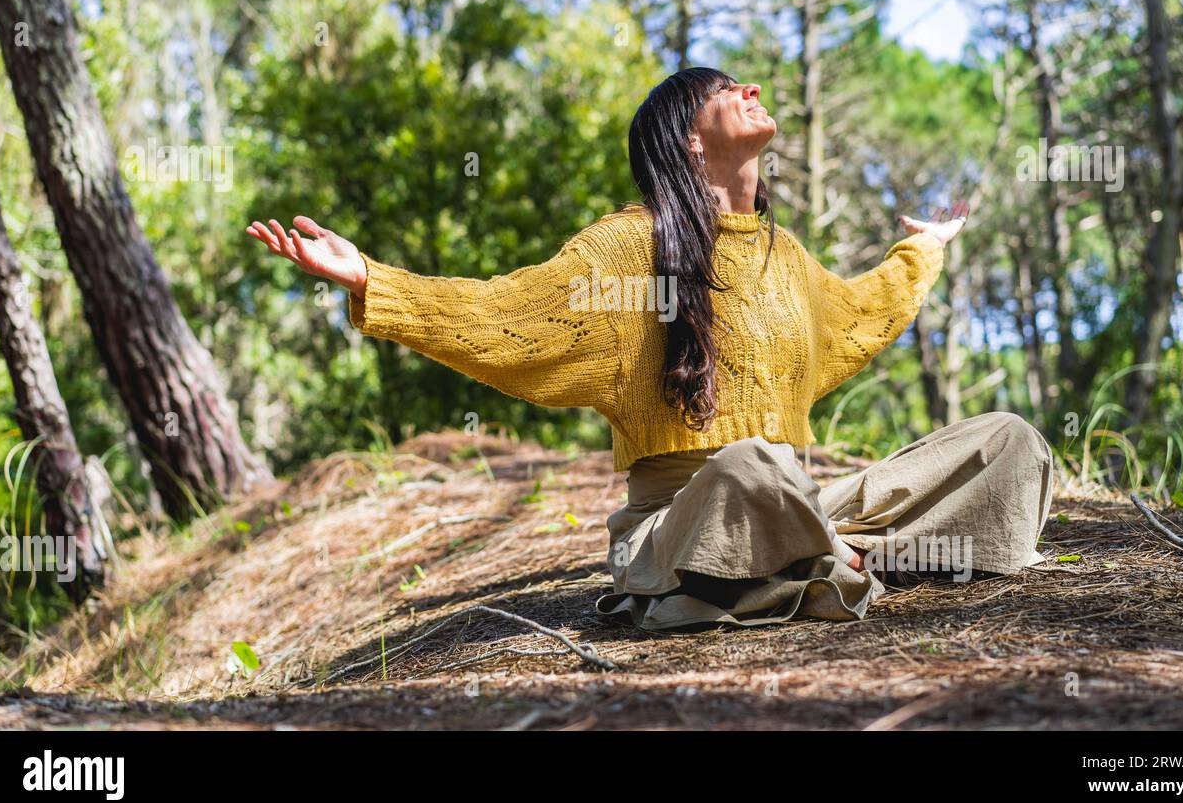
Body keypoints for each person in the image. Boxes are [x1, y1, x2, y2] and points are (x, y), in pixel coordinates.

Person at [247, 67, 1053, 632]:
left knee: (1006, 442)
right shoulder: (627, 251)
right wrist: (374, 283)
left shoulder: (783, 255)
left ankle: (824, 551)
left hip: (797, 500)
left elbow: (860, 312)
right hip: (687, 519)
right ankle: (822, 556)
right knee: (750, 466)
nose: (752, 89)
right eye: (725, 89)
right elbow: (503, 318)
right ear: (689, 140)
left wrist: (926, 249)